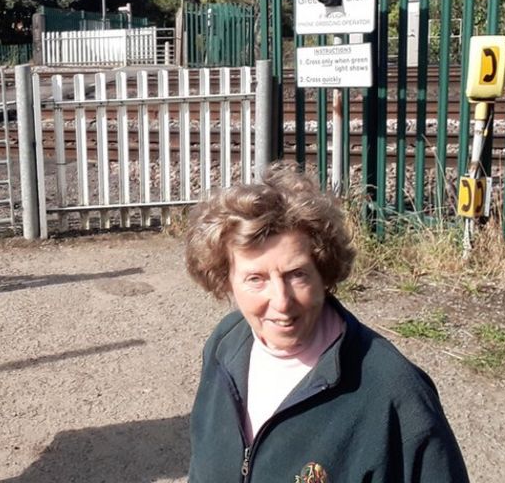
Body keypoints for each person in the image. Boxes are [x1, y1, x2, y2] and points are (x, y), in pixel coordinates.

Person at [182, 166, 468, 482]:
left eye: (297, 275)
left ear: (324, 273)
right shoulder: (225, 345)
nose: (281, 301)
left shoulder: (395, 393)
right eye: (255, 279)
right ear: (225, 280)